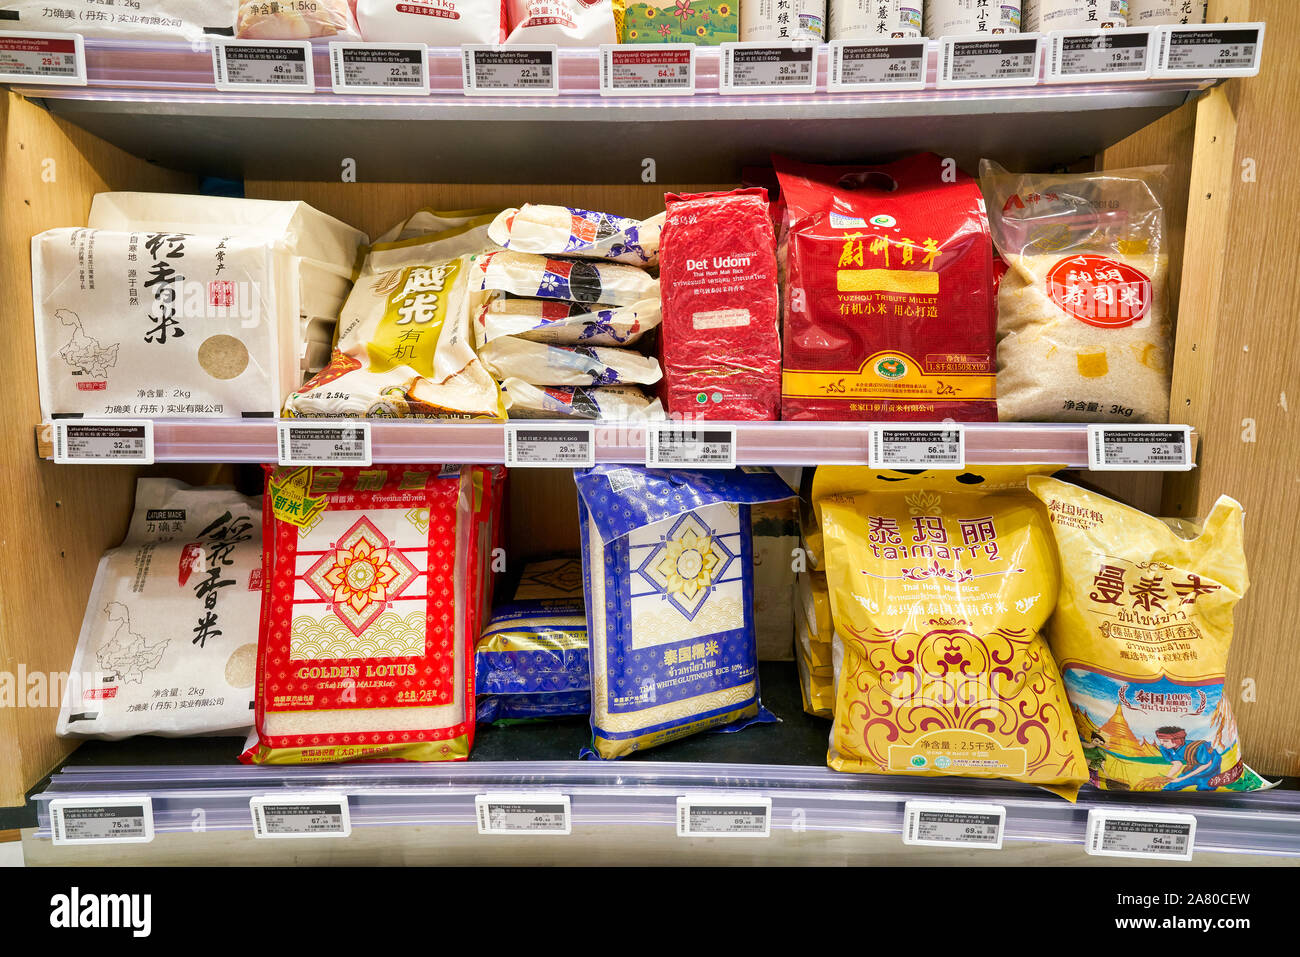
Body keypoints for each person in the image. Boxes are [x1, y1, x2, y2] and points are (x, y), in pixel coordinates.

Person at [1153, 725, 1222, 791]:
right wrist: (1167, 778)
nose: (1161, 743)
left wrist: (1182, 778)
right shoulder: (1164, 748)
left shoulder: (1197, 747)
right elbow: (1177, 764)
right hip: (1192, 765)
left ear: (1177, 740)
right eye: (1160, 740)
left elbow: (1206, 764)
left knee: (1205, 789)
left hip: (1210, 767)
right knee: (1169, 787)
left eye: (1165, 741)